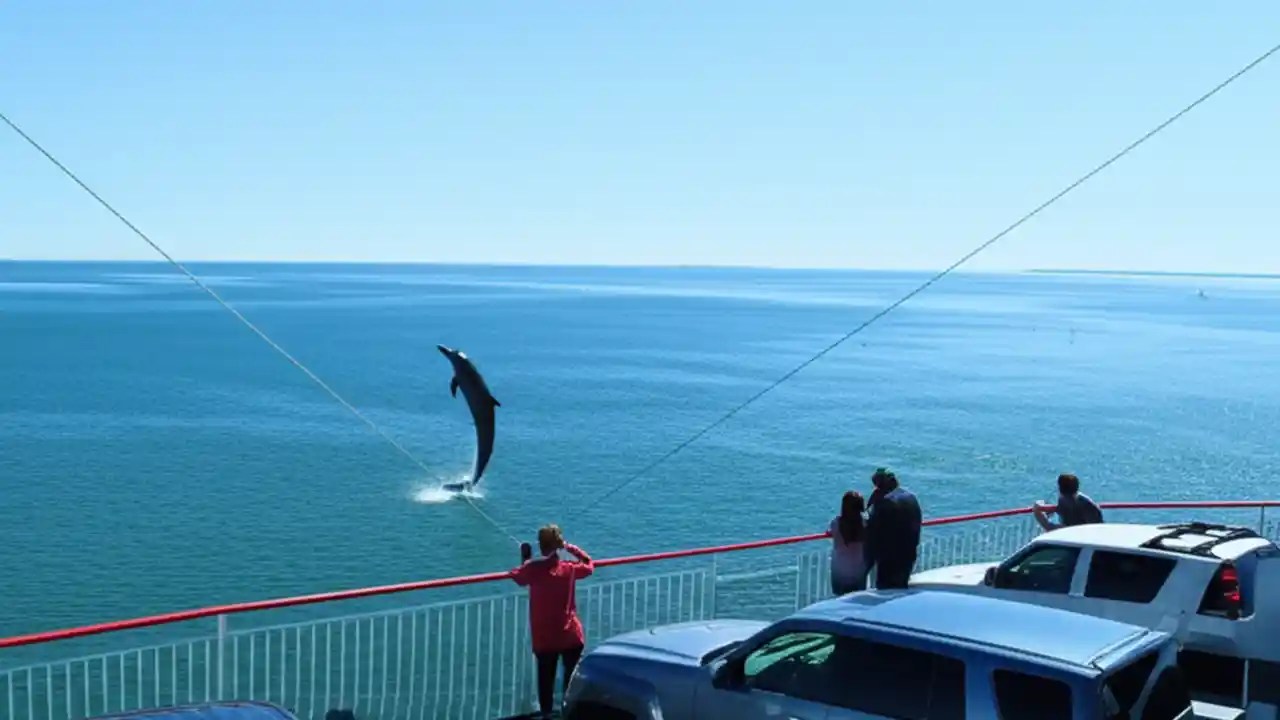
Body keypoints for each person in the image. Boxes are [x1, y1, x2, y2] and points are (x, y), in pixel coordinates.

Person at [509, 524, 594, 719]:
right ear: (558, 545)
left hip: (546, 639)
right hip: (572, 636)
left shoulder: (533, 570)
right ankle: (569, 713)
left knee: (546, 686)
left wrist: (525, 558)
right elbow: (589, 564)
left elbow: (517, 576)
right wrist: (569, 547)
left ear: (540, 545)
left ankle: (548, 714)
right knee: (571, 685)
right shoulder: (570, 569)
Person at [863, 468, 922, 590]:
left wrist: (871, 505)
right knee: (900, 588)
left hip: (889, 558)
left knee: (886, 591)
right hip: (909, 553)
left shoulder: (884, 503)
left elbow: (871, 528)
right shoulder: (911, 497)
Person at [828, 491, 868, 595]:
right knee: (858, 600)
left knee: (840, 600)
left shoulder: (836, 523)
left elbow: (830, 532)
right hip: (859, 570)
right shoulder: (866, 523)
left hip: (840, 570)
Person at [1033, 473, 1104, 531]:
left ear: (1060, 488)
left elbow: (1050, 527)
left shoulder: (1083, 504)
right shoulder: (1086, 503)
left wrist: (1038, 509)